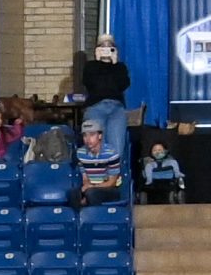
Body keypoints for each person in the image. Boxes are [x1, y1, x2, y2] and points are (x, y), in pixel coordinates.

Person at [80, 32, 131, 171]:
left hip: (116, 108)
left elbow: (123, 84)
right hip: (96, 107)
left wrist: (114, 63)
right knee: (95, 146)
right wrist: (98, 61)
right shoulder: (90, 66)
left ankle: (112, 181)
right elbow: (89, 83)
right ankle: (96, 179)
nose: (106, 49)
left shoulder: (120, 67)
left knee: (116, 149)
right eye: (102, 46)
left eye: (110, 47)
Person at [73, 118, 125, 205]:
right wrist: (86, 187)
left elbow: (112, 182)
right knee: (72, 194)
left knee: (91, 193)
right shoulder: (80, 153)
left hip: (110, 189)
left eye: (92, 135)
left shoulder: (111, 153)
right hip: (91, 187)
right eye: (85, 135)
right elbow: (85, 178)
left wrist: (92, 187)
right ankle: (78, 217)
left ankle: (96, 216)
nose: (88, 139)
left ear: (100, 136)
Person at [139, 138, 185, 204]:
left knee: (173, 162)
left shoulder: (169, 159)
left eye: (160, 150)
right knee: (148, 166)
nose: (157, 152)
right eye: (154, 150)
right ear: (151, 152)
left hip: (165, 165)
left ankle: (177, 173)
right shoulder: (149, 160)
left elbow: (171, 161)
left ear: (165, 151)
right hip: (154, 166)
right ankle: (149, 180)